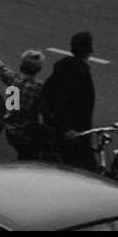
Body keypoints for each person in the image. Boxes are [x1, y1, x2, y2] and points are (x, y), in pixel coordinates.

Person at [40, 32, 97, 169]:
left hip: (51, 128)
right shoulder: (81, 75)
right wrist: (68, 128)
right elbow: (71, 104)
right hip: (72, 132)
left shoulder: (61, 66)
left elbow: (46, 92)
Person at [0, 49, 47, 159]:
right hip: (25, 133)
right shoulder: (37, 87)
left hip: (10, 130)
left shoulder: (13, 78)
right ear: (37, 69)